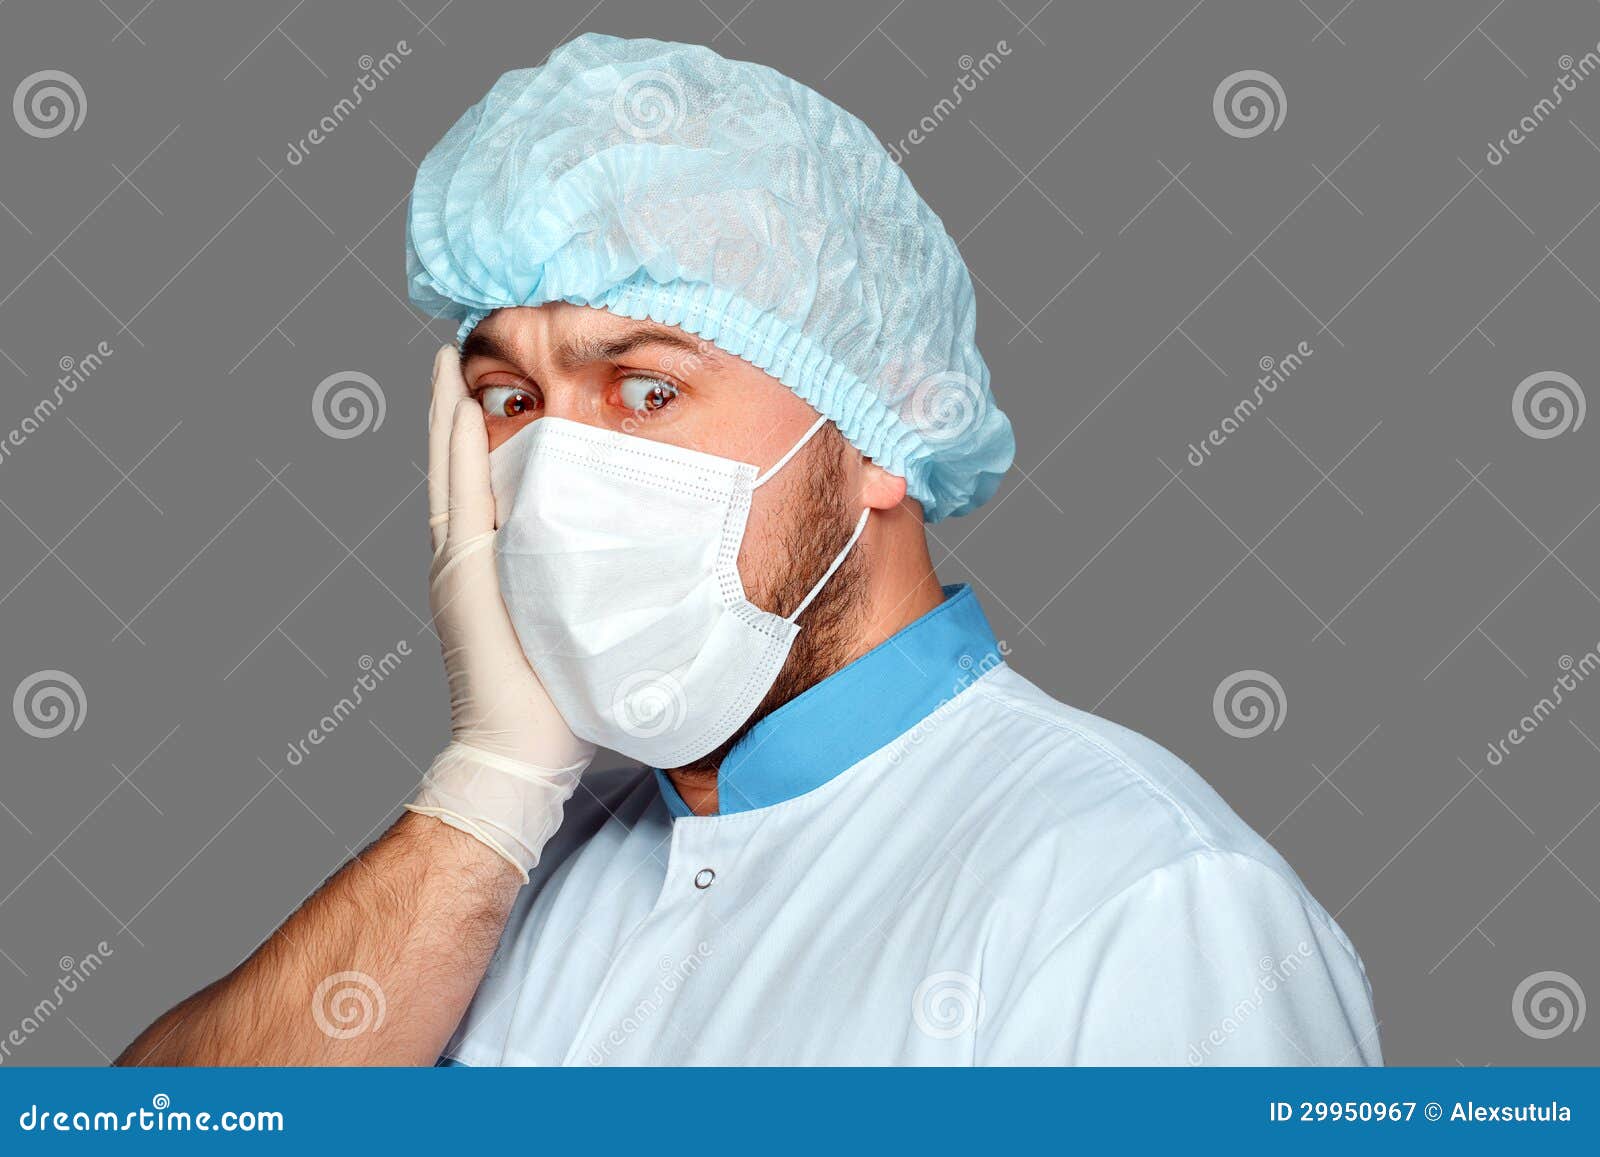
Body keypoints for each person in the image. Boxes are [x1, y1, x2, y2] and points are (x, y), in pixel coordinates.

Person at [118, 33, 1379, 1067]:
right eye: (511, 401)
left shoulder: (1136, 897)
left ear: (882, 421)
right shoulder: (507, 872)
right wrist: (491, 783)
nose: (556, 477)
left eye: (648, 391)